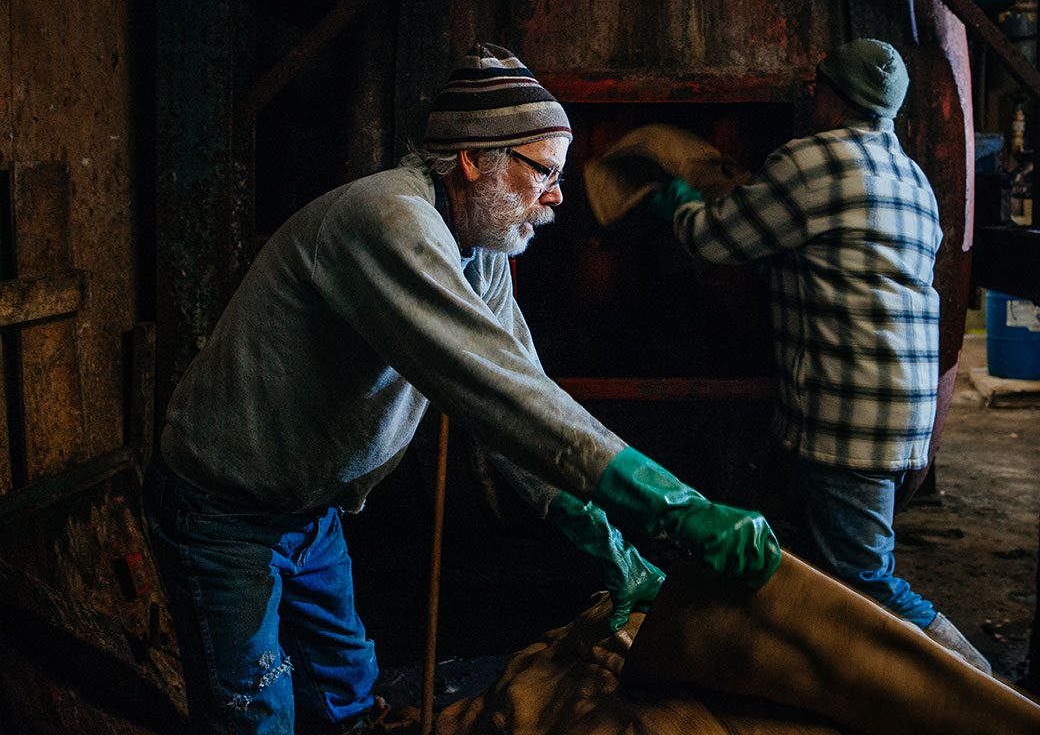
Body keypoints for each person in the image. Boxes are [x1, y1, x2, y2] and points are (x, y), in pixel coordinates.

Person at [143, 43, 781, 735]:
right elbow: (496, 392)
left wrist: (604, 538)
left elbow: (524, 392)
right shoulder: (390, 220)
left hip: (311, 514)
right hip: (226, 515)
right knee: (254, 719)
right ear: (475, 160)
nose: (559, 196)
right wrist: (672, 507)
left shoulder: (479, 250)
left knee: (347, 708)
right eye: (545, 173)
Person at [649, 37, 990, 673]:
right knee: (819, 556)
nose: (811, 98)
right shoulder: (911, 175)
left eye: (815, 87)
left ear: (834, 95)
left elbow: (716, 239)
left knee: (864, 581)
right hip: (900, 408)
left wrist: (678, 205)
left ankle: (977, 690)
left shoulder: (814, 161)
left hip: (848, 417)